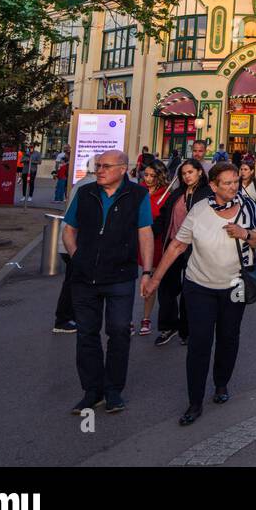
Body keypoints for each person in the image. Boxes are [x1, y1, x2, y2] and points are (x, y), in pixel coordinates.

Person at [143, 161, 256, 426]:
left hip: (234, 285)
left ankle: (221, 384)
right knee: (199, 344)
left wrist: (244, 233)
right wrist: (155, 279)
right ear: (213, 185)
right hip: (199, 286)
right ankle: (195, 401)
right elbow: (177, 246)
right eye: (227, 183)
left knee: (228, 337)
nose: (234, 187)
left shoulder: (248, 207)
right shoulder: (199, 210)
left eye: (236, 181)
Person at [61, 149, 155, 413]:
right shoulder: (85, 193)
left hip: (120, 276)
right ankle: (92, 390)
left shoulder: (137, 195)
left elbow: (145, 233)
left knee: (118, 331)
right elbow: (69, 230)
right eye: (97, 165)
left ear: (123, 169)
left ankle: (113, 390)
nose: (99, 170)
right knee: (87, 334)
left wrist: (147, 272)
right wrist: (78, 256)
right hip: (84, 277)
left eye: (105, 166)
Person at [154, 159, 211, 347]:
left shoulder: (206, 194)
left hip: (193, 249)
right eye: (184, 173)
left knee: (189, 289)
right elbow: (164, 216)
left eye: (190, 172)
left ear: (200, 172)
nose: (187, 176)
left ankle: (186, 329)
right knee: (167, 287)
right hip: (172, 244)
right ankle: (168, 325)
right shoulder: (177, 193)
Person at [137, 163, 180, 337]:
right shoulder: (138, 191)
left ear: (159, 176)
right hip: (135, 239)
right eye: (145, 175)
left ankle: (146, 317)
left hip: (155, 242)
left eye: (152, 176)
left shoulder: (166, 194)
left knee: (150, 279)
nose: (147, 179)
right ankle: (127, 319)